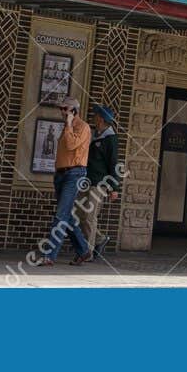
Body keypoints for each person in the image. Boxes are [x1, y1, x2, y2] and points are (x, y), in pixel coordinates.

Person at [38, 97, 93, 266]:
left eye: (65, 109)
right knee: (66, 216)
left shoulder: (83, 127)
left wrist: (69, 124)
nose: (62, 112)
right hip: (61, 174)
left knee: (60, 215)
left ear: (74, 110)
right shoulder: (66, 127)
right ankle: (84, 251)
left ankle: (49, 256)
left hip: (74, 174)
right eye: (61, 109)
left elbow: (70, 146)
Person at [76, 103, 121, 260]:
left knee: (89, 217)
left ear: (101, 119)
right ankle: (100, 239)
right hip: (86, 181)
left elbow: (113, 163)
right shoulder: (94, 134)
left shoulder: (110, 139)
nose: (94, 117)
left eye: (96, 115)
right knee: (80, 215)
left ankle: (86, 253)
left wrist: (114, 187)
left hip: (99, 184)